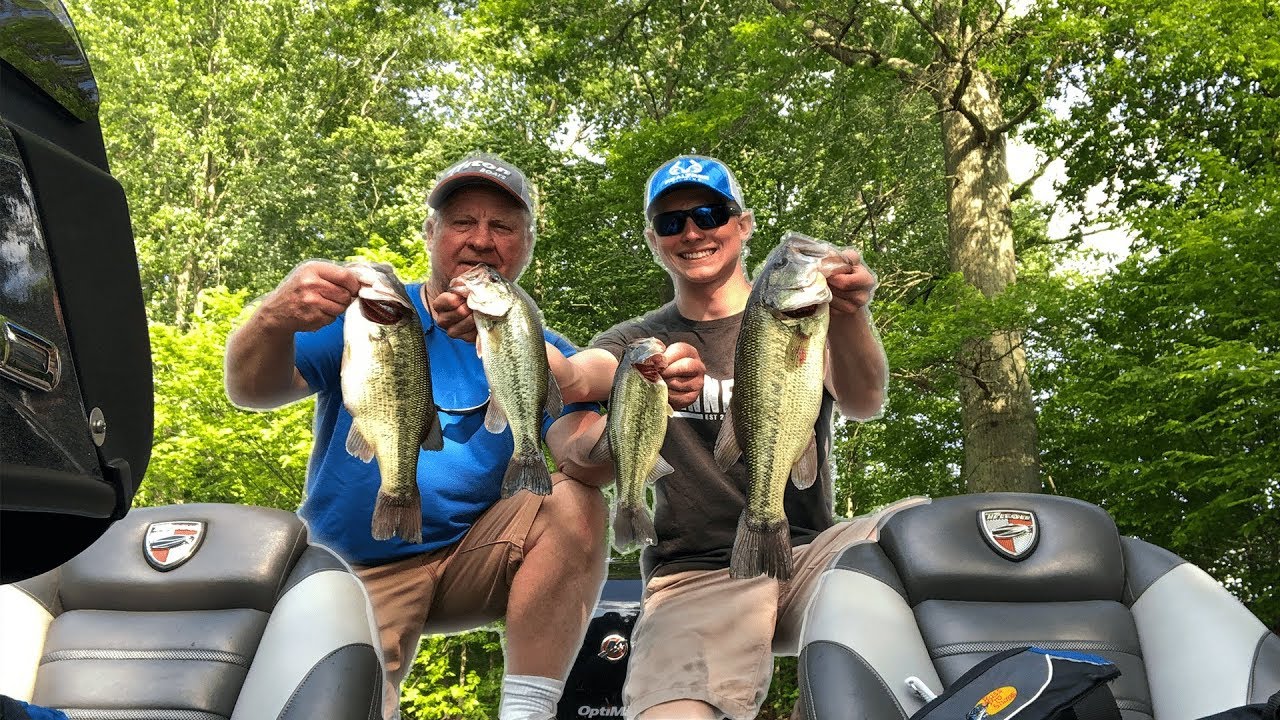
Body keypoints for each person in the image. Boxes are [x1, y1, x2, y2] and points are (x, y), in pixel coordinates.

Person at [224, 152, 611, 720]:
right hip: (354, 567)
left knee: (576, 501)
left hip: (468, 558)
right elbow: (251, 389)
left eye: (502, 226)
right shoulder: (373, 314)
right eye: (462, 222)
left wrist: (635, 419)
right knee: (338, 706)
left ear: (526, 244)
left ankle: (528, 712)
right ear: (430, 234)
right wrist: (274, 316)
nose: (481, 240)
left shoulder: (534, 342)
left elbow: (581, 454)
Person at [562, 155, 926, 720]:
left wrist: (852, 313)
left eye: (709, 213)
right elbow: (579, 385)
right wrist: (519, 341)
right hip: (694, 576)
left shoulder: (811, 317)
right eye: (671, 221)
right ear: (654, 240)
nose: (692, 232)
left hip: (810, 554)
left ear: (742, 224)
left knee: (936, 537)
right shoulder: (635, 342)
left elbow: (864, 400)